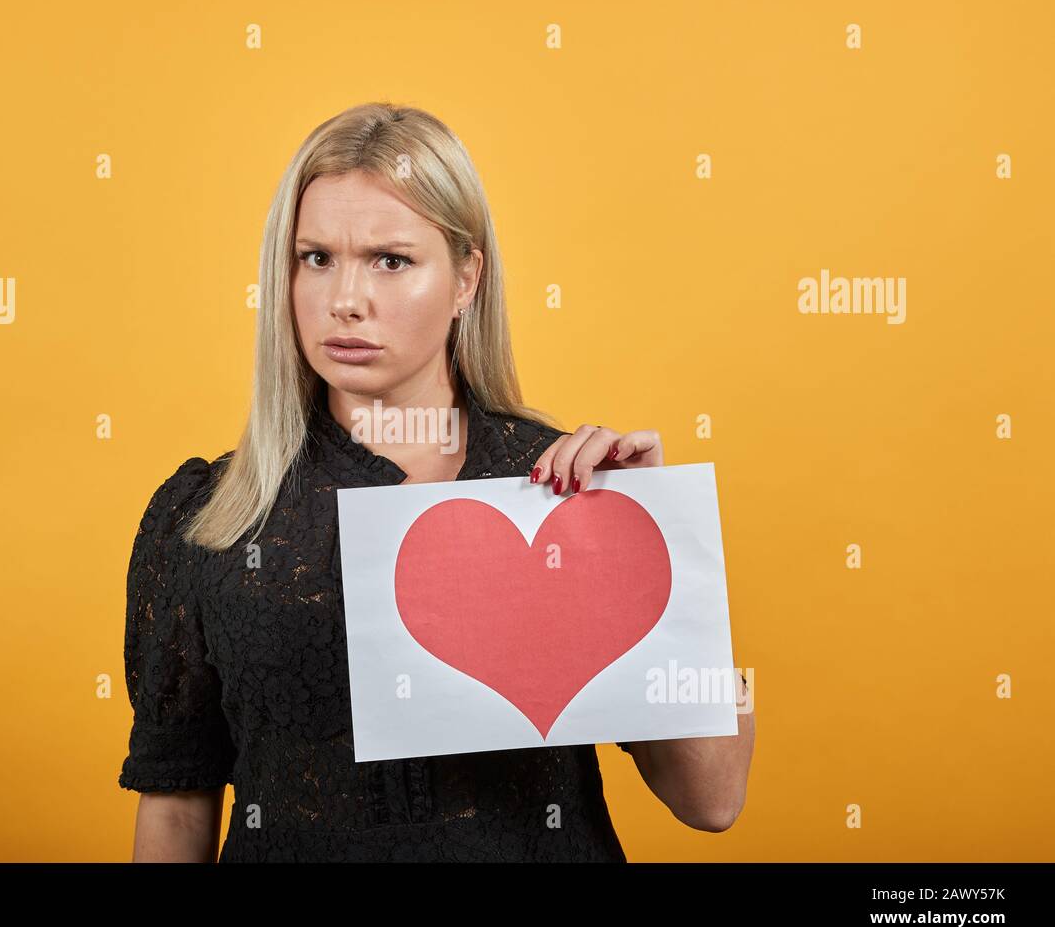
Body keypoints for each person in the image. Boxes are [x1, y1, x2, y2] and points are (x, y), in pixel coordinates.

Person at [119, 101, 755, 862]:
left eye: (391, 260)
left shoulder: (565, 491)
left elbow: (710, 799)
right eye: (316, 257)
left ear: (465, 279)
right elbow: (176, 805)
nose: (345, 298)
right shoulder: (210, 518)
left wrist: (650, 540)